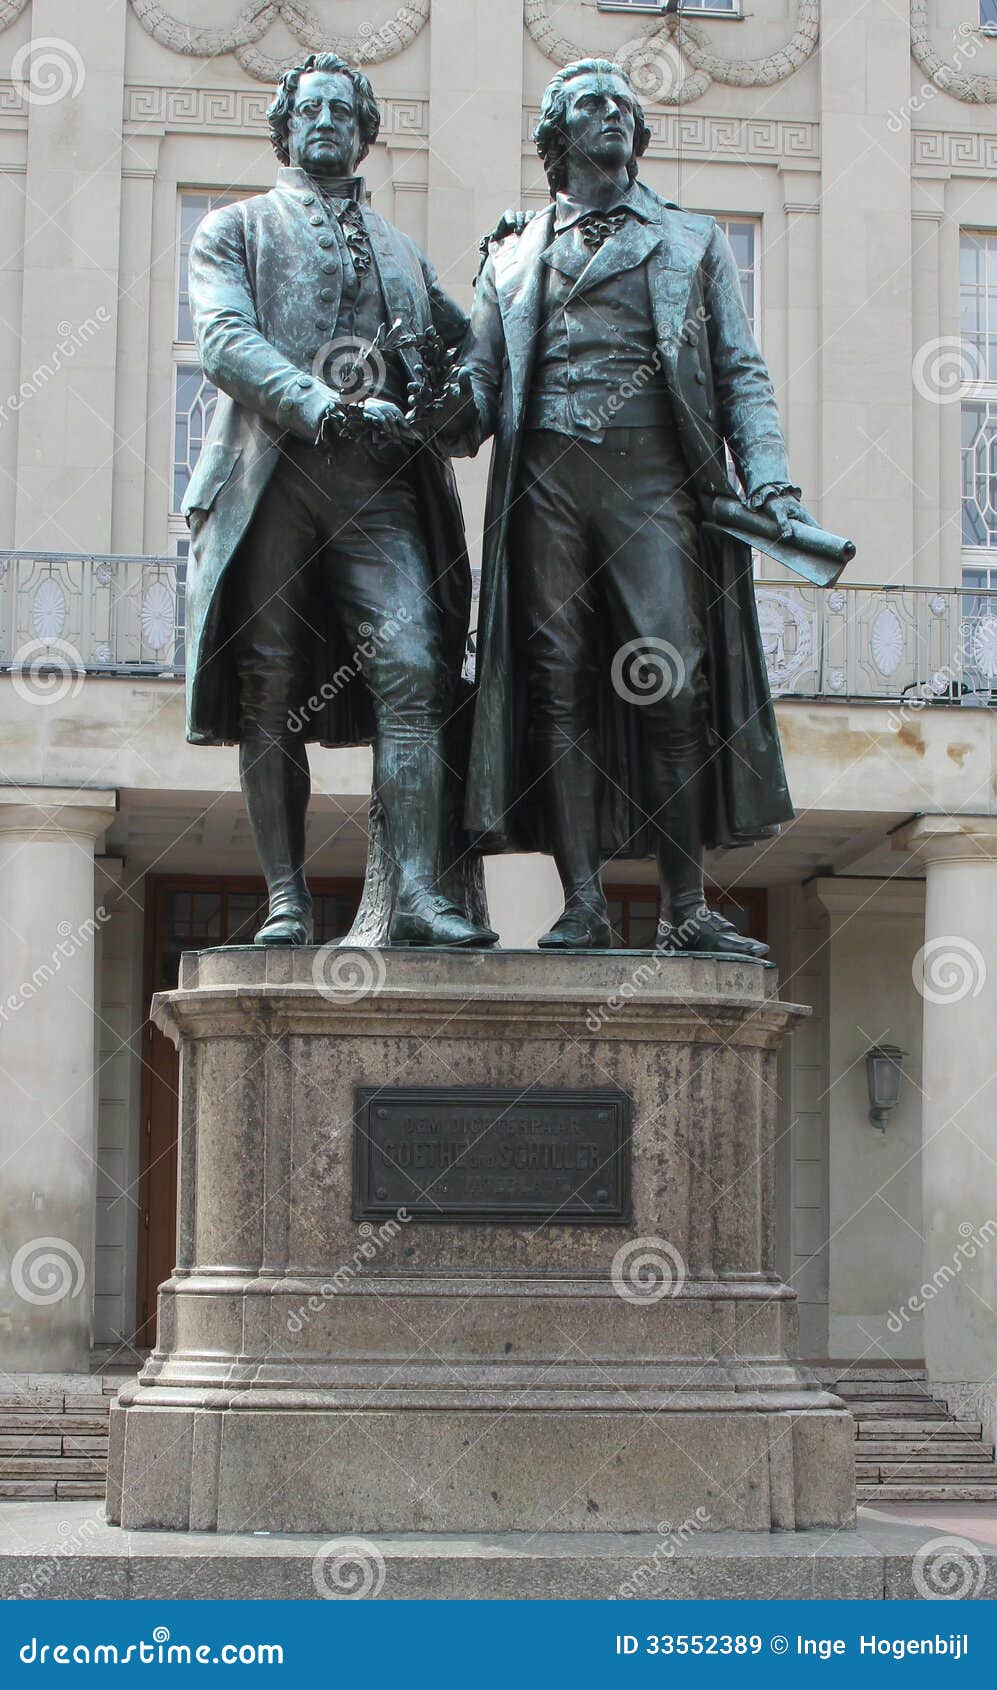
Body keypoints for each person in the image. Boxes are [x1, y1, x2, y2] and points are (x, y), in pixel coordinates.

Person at [454, 58, 819, 955]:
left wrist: (769, 483)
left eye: (624, 104)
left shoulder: (691, 242)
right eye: (590, 103)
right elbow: (478, 388)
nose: (612, 113)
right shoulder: (509, 255)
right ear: (557, 136)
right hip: (545, 488)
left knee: (672, 685)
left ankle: (685, 907)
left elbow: (740, 376)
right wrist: (426, 408)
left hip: (653, 484)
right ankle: (579, 904)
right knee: (557, 688)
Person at [182, 52, 495, 947]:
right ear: (285, 129)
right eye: (309, 109)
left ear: (364, 132)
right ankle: (285, 896)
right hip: (270, 479)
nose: (325, 120)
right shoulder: (232, 229)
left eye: (342, 110)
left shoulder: (401, 251)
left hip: (380, 492)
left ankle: (419, 898)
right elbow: (225, 340)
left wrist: (454, 396)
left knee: (413, 673)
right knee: (268, 690)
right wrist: (324, 407)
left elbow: (470, 354)